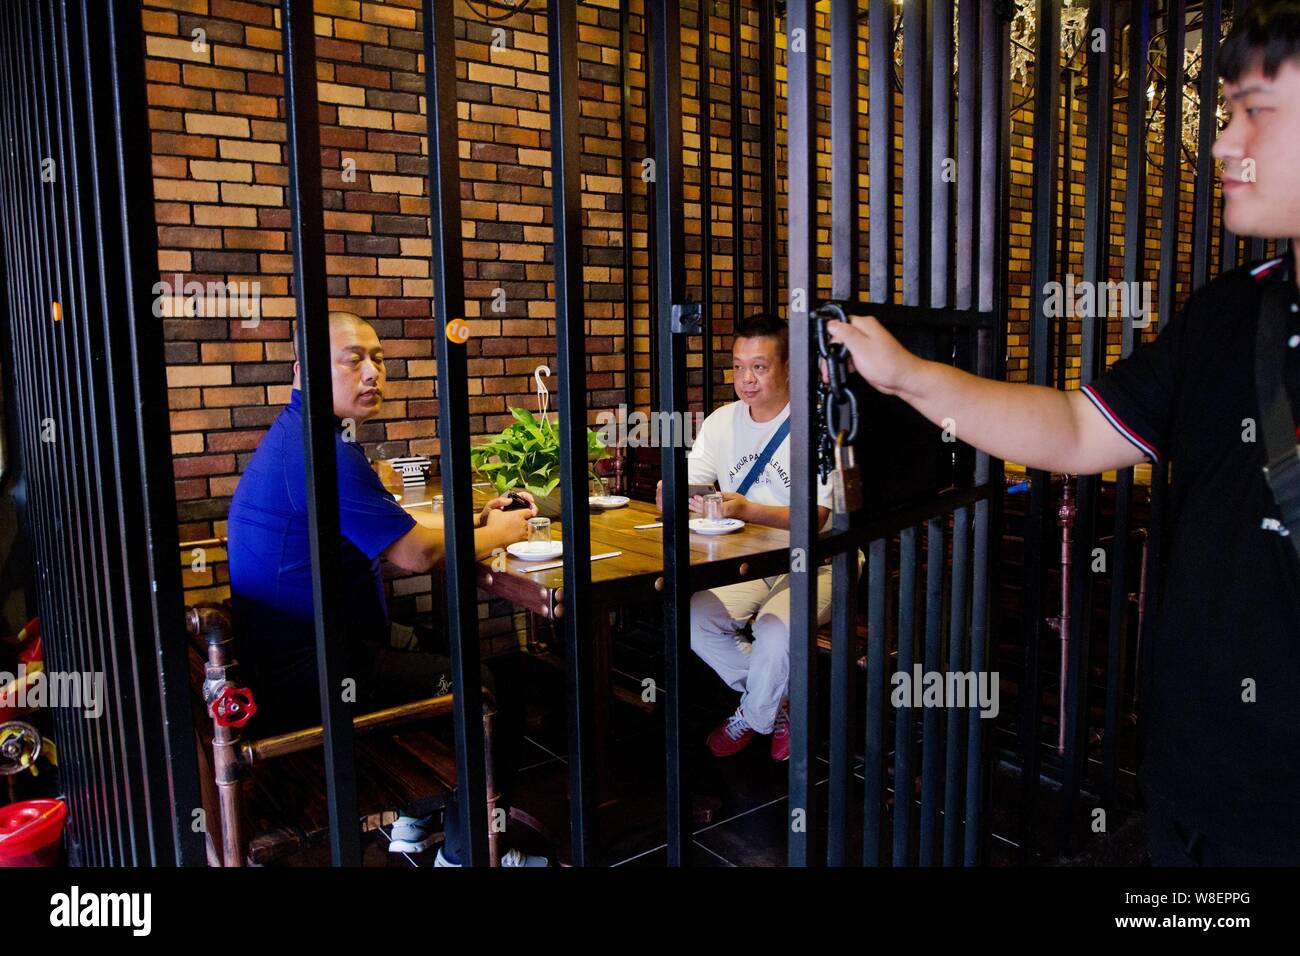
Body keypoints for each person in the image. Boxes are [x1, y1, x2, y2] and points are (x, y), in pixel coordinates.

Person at [826, 0, 1300, 866]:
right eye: (1225, 110)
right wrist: (907, 379)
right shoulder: (1232, 317)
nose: (1224, 143)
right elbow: (1081, 429)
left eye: (1256, 111)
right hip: (1184, 801)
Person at [227, 310, 545, 866]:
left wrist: (476, 523)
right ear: (303, 370)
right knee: (487, 683)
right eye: (354, 360)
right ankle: (467, 854)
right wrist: (504, 532)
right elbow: (417, 554)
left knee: (440, 646)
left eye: (378, 358)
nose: (373, 372)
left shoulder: (303, 439)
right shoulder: (320, 454)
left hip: (300, 656)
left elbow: (399, 531)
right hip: (315, 675)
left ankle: (415, 821)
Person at [658, 313, 835, 761]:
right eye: (737, 367)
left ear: (790, 367)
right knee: (692, 618)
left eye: (759, 366)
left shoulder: (820, 426)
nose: (745, 379)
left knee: (775, 632)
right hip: (749, 562)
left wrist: (748, 508)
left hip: (819, 559)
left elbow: (817, 516)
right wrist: (675, 492)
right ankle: (778, 705)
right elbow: (695, 481)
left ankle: (754, 715)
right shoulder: (722, 421)